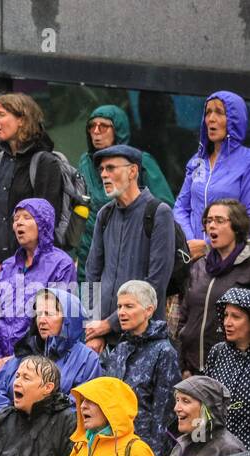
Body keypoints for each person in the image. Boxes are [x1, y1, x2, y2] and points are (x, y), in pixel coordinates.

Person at [84, 145, 177, 352]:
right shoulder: (104, 215)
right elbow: (91, 276)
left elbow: (155, 285)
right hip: (103, 341)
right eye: (101, 170)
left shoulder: (159, 213)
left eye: (111, 168)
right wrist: (93, 329)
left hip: (143, 340)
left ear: (133, 171)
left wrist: (107, 325)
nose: (104, 175)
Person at [75, 105, 176, 273]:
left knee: (120, 296)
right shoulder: (85, 163)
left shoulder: (140, 161)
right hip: (88, 253)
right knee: (88, 296)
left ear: (119, 130)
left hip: (127, 251)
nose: (96, 131)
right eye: (92, 126)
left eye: (104, 126)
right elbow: (76, 206)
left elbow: (165, 207)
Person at [0, 198, 77, 371]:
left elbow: (61, 320)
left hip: (41, 366)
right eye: (15, 219)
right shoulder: (8, 266)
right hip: (2, 367)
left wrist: (22, 356)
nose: (19, 223)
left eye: (26, 217)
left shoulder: (61, 264)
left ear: (43, 222)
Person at [0, 93, 65, 277]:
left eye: (2, 114)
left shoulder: (45, 162)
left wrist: (30, 266)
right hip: (2, 270)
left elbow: (47, 222)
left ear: (22, 119)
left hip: (36, 269)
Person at [0, 286, 101, 415]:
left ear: (67, 319)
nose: (41, 320)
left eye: (48, 314)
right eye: (39, 314)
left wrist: (41, 422)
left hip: (61, 433)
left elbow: (82, 406)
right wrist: (14, 423)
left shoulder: (87, 360)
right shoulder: (23, 353)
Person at [102, 280, 182, 456]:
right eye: (119, 306)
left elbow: (164, 416)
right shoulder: (119, 349)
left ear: (149, 310)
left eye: (129, 306)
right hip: (112, 445)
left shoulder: (164, 352)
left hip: (143, 449)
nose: (121, 312)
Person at [173, 91, 250, 258]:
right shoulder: (197, 160)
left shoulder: (247, 162)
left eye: (219, 112)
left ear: (235, 119)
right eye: (208, 112)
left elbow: (247, 217)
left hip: (230, 260)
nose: (211, 119)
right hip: (193, 259)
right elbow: (180, 207)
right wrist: (190, 242)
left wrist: (208, 245)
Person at [178, 199, 250, 374]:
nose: (211, 226)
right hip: (193, 370)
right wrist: (183, 365)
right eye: (208, 221)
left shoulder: (247, 268)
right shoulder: (198, 266)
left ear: (237, 226)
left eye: (219, 221)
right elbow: (183, 317)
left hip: (234, 370)